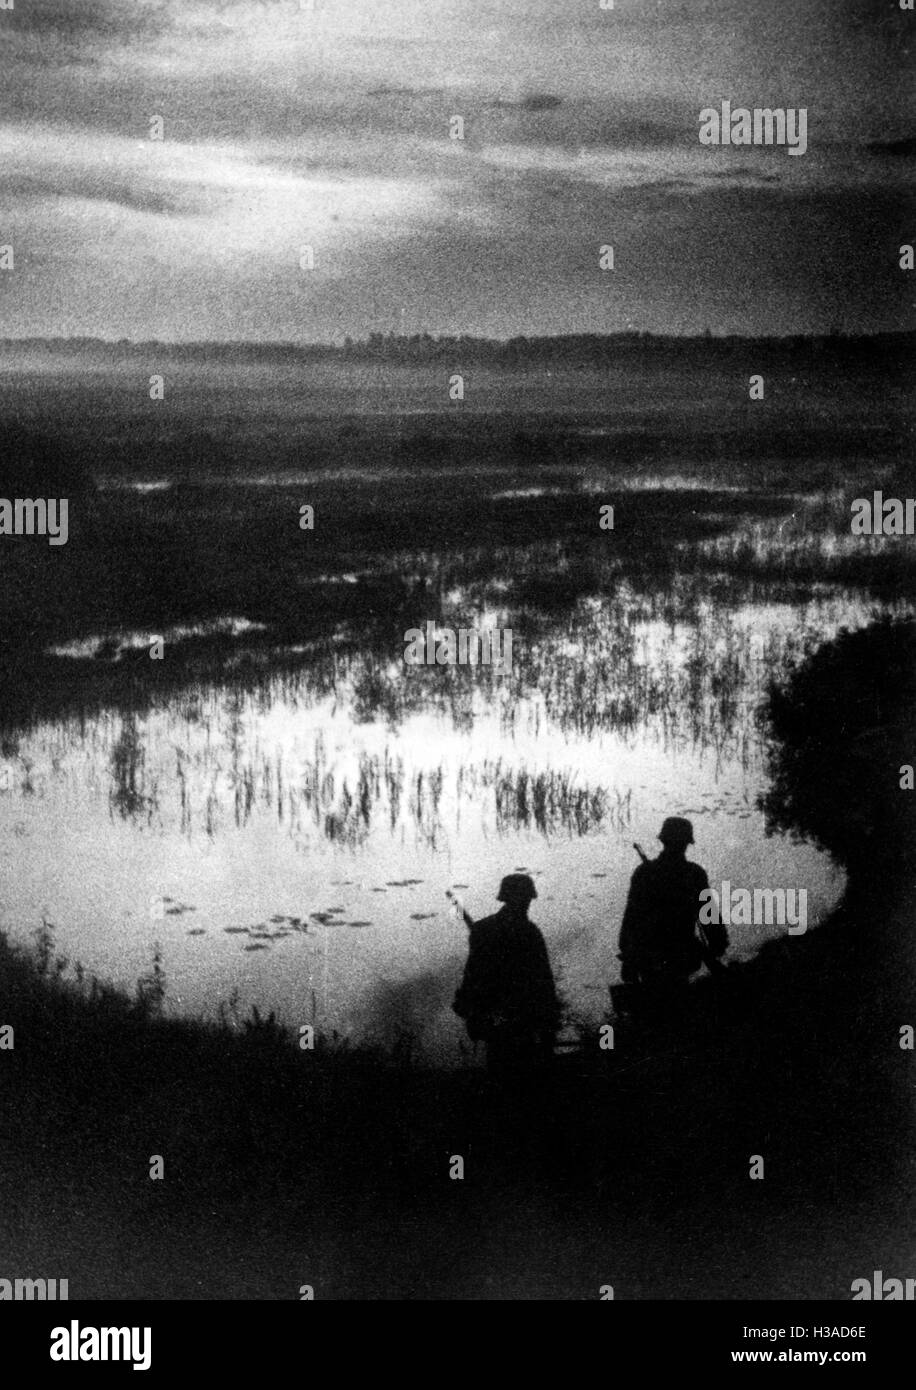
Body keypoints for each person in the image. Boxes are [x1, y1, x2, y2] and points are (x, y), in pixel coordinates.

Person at [617, 817, 725, 1018]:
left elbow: (631, 918)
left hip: (652, 953)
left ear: (663, 841)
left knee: (656, 1009)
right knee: (678, 1003)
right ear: (686, 843)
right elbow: (709, 917)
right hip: (679, 953)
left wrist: (627, 953)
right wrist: (717, 944)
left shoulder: (644, 873)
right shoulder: (694, 873)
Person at [453, 874, 560, 1077]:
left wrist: (468, 1005)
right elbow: (543, 980)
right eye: (525, 898)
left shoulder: (485, 929)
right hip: (517, 1014)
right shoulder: (529, 932)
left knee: (501, 1065)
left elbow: (472, 974)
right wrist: (549, 1019)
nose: (527, 903)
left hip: (500, 1014)